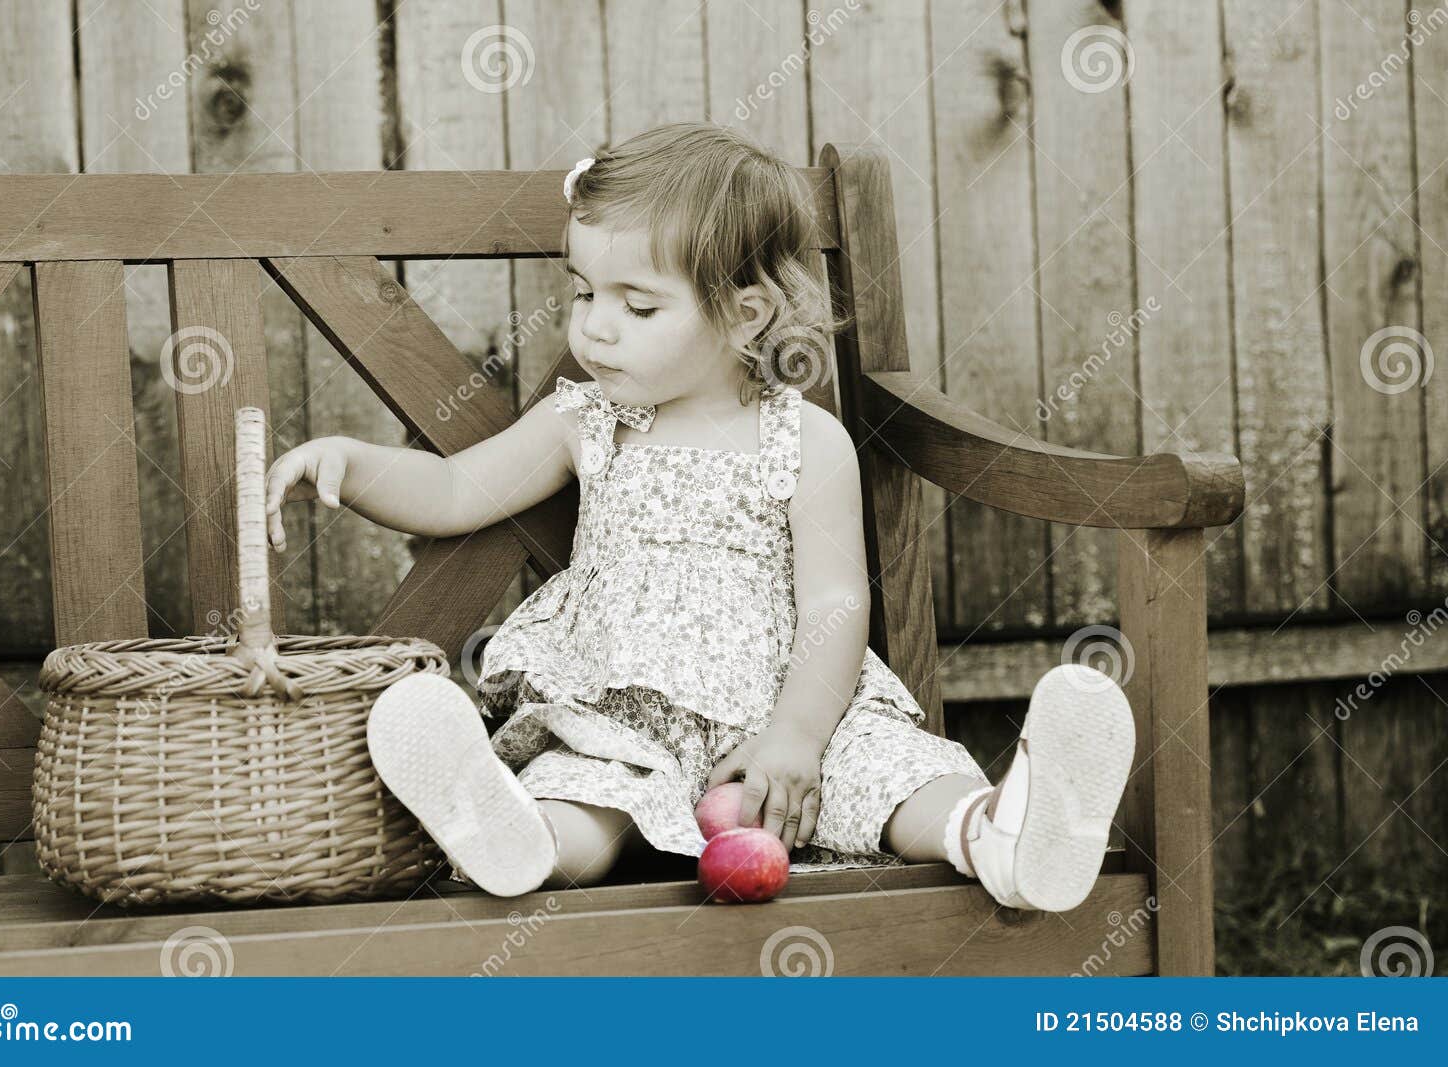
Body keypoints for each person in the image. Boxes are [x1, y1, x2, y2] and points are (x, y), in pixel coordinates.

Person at [264, 121, 1135, 910]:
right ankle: (509, 833)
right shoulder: (585, 421)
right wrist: (353, 464)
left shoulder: (805, 440)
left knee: (892, 772)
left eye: (637, 306)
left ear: (743, 312)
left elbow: (836, 603)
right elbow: (456, 491)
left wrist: (795, 738)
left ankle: (1003, 833)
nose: (596, 330)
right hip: (624, 719)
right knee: (590, 794)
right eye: (582, 294)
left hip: (787, 718)